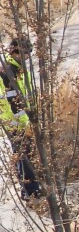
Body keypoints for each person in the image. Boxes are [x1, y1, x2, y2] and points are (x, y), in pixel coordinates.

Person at [0, 36, 38, 199]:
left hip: (17, 121)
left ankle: (29, 190)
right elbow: (13, 101)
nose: (28, 56)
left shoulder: (16, 67)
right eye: (27, 53)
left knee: (23, 156)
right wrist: (25, 123)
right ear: (16, 51)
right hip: (16, 122)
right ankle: (31, 192)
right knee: (25, 157)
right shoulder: (9, 70)